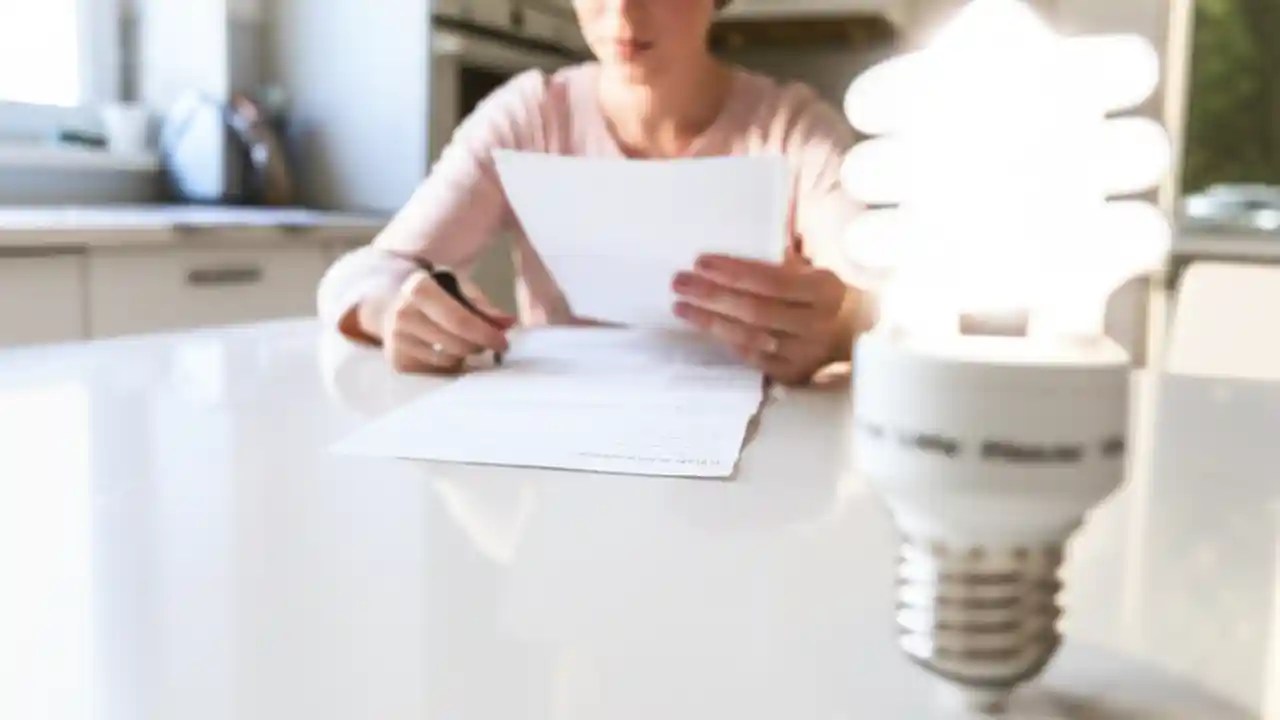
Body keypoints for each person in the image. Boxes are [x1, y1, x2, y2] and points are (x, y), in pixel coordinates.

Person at [317, 0, 871, 386]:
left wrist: (840, 329)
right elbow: (360, 273)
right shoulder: (531, 114)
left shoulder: (793, 129)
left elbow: (883, 293)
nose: (622, 14)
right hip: (566, 447)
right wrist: (392, 309)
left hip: (753, 462)